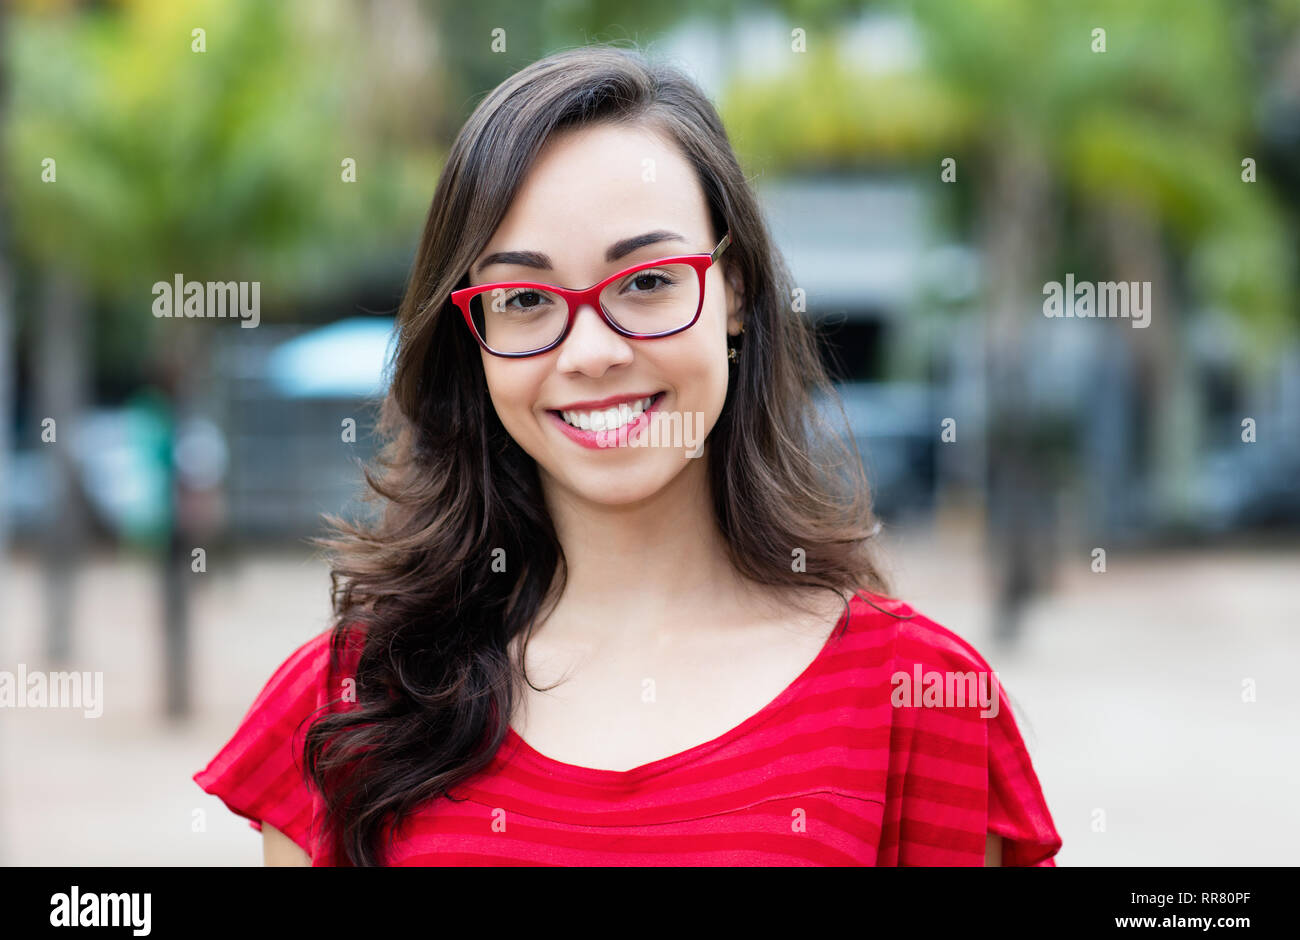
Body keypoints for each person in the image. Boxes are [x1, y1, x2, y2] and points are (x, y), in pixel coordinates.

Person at [193, 44, 1062, 867]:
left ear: (734, 290)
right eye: (526, 297)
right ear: (474, 337)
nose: (591, 351)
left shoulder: (920, 700)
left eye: (646, 282)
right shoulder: (347, 703)